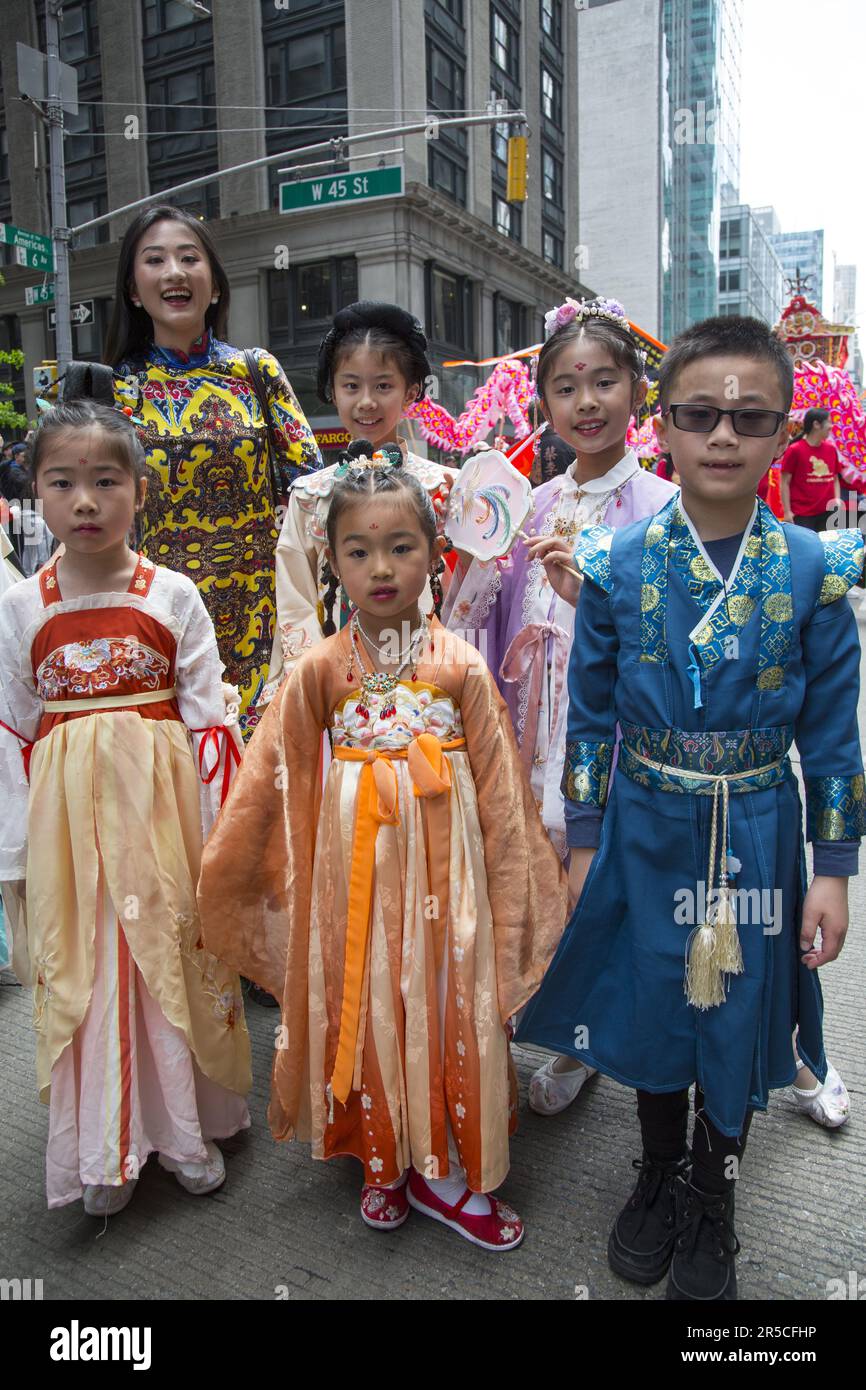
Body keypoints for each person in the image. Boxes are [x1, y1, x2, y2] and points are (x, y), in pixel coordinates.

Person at [516, 315, 863, 1301]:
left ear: (782, 429)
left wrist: (829, 870)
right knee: (654, 996)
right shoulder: (617, 566)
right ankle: (657, 1167)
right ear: (658, 424)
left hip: (754, 833)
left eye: (746, 416)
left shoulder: (810, 570)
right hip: (646, 824)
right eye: (697, 413)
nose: (720, 435)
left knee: (735, 1002)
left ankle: (716, 1186)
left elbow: (833, 738)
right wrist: (583, 844)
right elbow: (587, 724)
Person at [198, 451, 567, 1250]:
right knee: (367, 997)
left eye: (402, 546)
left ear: (436, 555)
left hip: (449, 881)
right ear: (330, 562)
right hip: (354, 876)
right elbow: (273, 781)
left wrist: (514, 904)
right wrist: (243, 871)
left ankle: (440, 1170)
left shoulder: (460, 665)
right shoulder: (318, 670)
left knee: (438, 998)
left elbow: (503, 798)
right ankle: (381, 1156)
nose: (381, 567)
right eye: (358, 550)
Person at [0, 400, 251, 1215]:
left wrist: (218, 839)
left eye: (106, 481)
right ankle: (104, 1150)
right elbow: (11, 729)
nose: (84, 501)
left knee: (167, 959)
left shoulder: (173, 595)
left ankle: (187, 1130)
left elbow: (209, 720)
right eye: (62, 481)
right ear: (34, 492)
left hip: (162, 824)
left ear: (139, 493)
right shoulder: (19, 610)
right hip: (68, 836)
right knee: (90, 970)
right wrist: (15, 853)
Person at [443, 297, 677, 1116]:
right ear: (543, 402)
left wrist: (600, 592)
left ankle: (603, 1035)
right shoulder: (528, 503)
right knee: (539, 881)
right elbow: (477, 619)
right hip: (530, 722)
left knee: (605, 882)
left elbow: (680, 637)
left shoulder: (662, 508)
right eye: (566, 386)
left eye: (604, 381)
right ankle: (558, 1025)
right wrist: (474, 555)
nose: (586, 402)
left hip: (614, 729)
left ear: (636, 393)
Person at [103, 203, 320, 738]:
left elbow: (313, 490)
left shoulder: (256, 371)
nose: (174, 272)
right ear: (134, 289)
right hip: (162, 619)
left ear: (215, 284)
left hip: (266, 616)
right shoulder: (116, 389)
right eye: (155, 260)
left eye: (189, 258)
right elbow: (101, 511)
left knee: (266, 789)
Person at [262, 302, 456, 700]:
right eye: (352, 386)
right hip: (334, 687)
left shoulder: (444, 490)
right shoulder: (309, 496)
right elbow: (296, 595)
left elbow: (462, 596)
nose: (366, 401)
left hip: (426, 681)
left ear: (412, 391)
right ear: (332, 391)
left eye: (383, 386)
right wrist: (318, 677)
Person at [780, 408, 841, 530]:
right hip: (802, 514)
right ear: (816, 424)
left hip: (827, 512)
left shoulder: (831, 449)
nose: (831, 426)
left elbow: (834, 479)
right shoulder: (795, 450)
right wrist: (787, 512)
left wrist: (837, 499)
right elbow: (784, 482)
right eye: (829, 422)